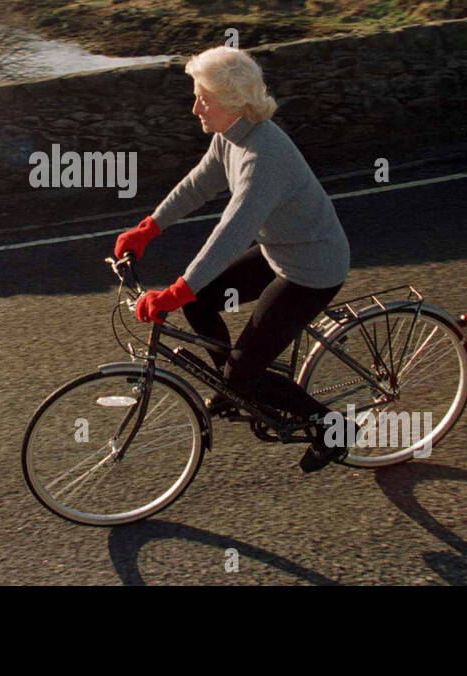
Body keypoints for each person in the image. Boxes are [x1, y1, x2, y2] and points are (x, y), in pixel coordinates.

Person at [113, 46, 352, 472]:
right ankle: (237, 386)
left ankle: (331, 427)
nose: (194, 108)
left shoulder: (263, 158)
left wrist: (175, 290)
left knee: (242, 369)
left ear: (231, 100)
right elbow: (197, 186)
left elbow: (231, 233)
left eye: (202, 99)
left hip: (311, 270)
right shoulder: (231, 137)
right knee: (200, 302)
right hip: (280, 251)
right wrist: (149, 227)